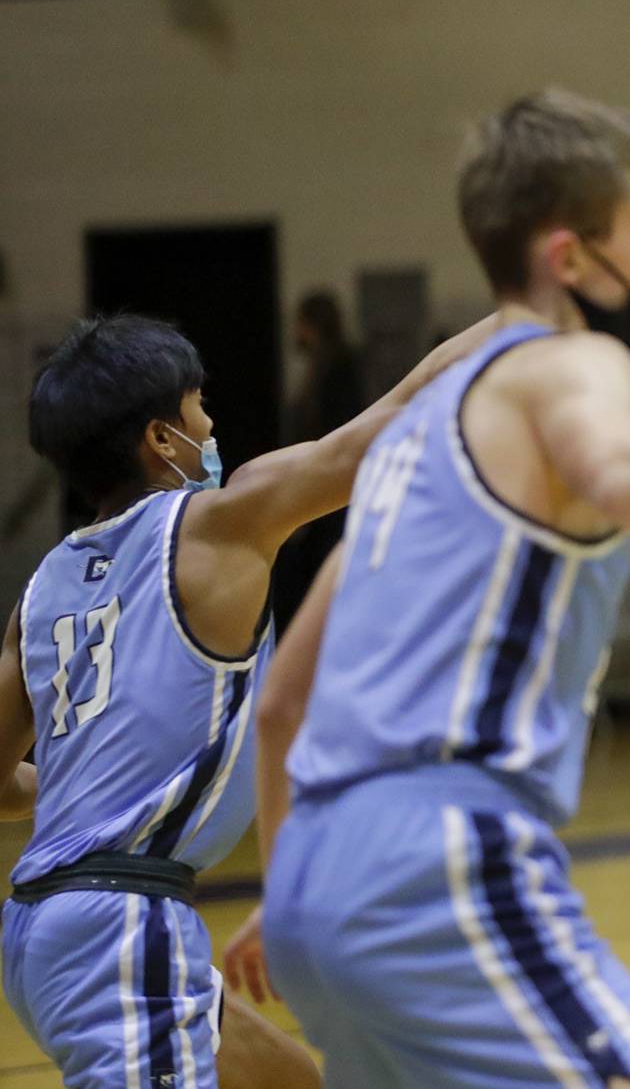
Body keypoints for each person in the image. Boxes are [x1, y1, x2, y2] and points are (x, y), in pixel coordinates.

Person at [221, 91, 630, 1089]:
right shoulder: (576, 361)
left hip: (309, 881)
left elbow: (281, 704)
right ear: (571, 258)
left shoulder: (414, 442)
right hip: (432, 861)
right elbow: (616, 462)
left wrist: (293, 882)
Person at [0, 306, 495, 1089]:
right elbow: (397, 419)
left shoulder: (41, 590)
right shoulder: (216, 524)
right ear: (162, 438)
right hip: (120, 929)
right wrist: (543, 305)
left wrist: (76, 788)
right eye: (199, 406)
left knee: (293, 1082)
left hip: (38, 927)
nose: (213, 421)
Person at [273, 291, 366, 624]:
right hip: (316, 483)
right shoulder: (319, 366)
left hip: (331, 486)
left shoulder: (340, 366)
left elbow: (338, 429)